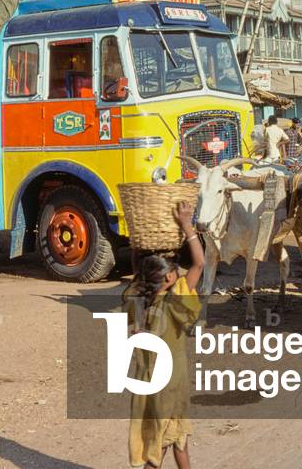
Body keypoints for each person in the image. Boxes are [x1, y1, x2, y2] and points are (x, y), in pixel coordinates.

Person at [125, 201, 203, 469]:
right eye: (174, 269)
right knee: (162, 445)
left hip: (147, 380)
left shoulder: (136, 297)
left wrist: (142, 240)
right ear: (169, 277)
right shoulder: (175, 302)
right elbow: (200, 264)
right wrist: (185, 224)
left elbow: (139, 267)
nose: (178, 271)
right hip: (170, 383)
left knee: (178, 438)